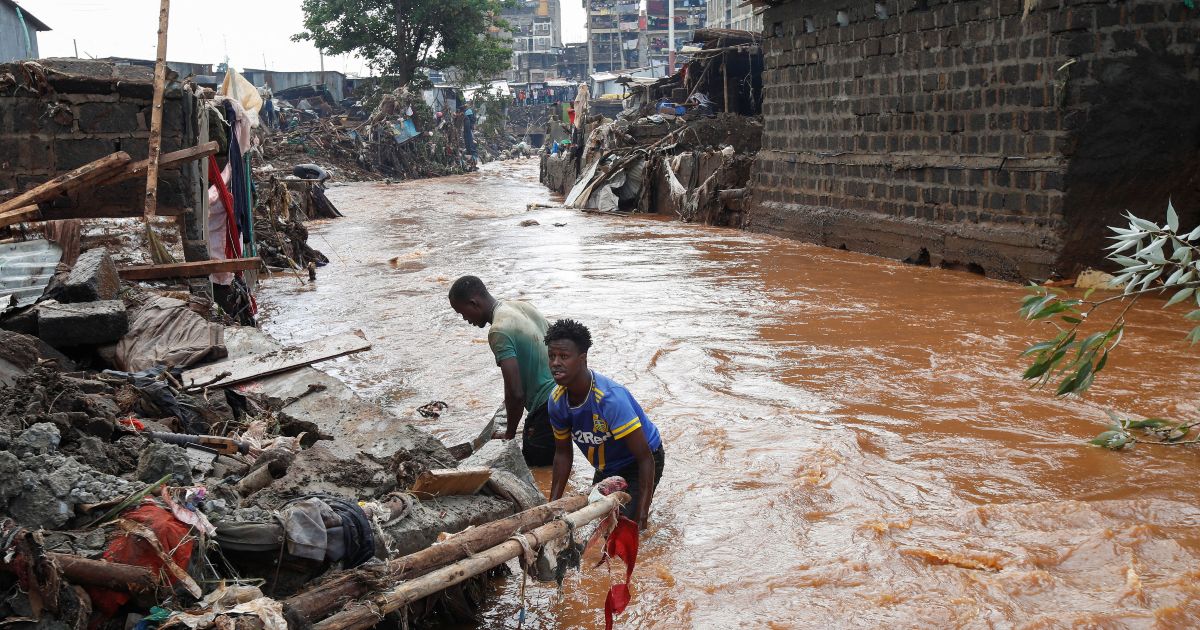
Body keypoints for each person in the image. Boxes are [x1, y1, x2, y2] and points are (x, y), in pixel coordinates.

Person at [545, 319, 664, 529]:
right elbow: (563, 454)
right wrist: (552, 508)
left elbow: (645, 458)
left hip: (640, 461)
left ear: (582, 359)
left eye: (564, 356)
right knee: (598, 523)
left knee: (626, 527)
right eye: (551, 356)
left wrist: (642, 515)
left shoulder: (609, 399)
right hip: (607, 465)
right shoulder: (557, 401)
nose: (555, 363)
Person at [448, 276, 557, 466]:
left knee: (536, 469)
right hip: (565, 397)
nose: (465, 319)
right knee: (558, 458)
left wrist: (509, 434)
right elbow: (558, 340)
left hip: (544, 408)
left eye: (462, 313)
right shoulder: (522, 307)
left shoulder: (498, 331)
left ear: (473, 303)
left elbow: (515, 393)